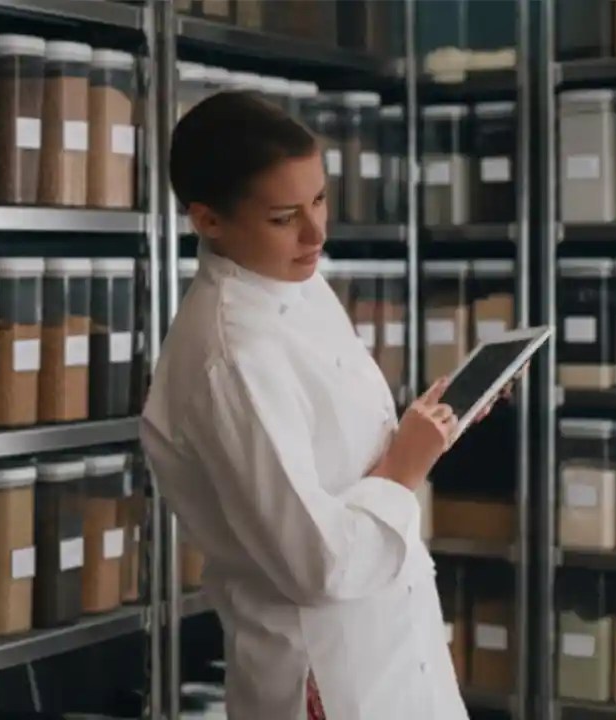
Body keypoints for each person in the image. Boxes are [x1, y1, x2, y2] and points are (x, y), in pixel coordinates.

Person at [141, 91, 486, 720]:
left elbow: (341, 459)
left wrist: (428, 428)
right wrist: (406, 466)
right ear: (208, 220)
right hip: (328, 676)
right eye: (284, 217)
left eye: (320, 200)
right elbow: (318, 567)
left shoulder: (294, 281)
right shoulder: (233, 361)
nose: (316, 233)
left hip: (393, 649)